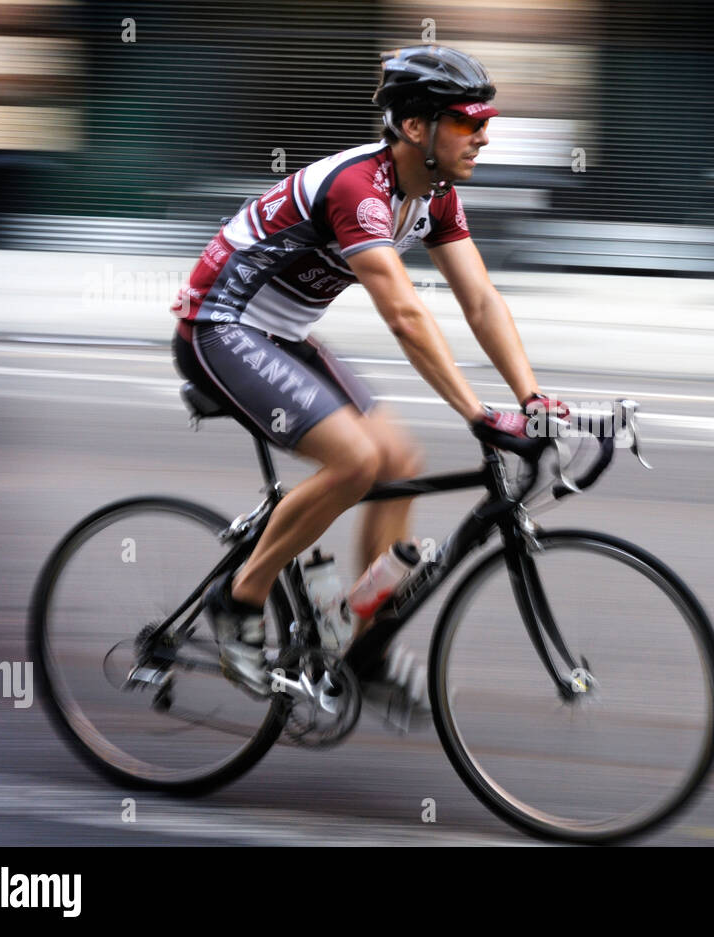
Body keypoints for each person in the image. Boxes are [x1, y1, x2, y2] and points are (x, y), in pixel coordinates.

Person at [169, 45, 569, 708]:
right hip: (218, 325)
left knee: (398, 460)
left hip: (281, 333)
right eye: (468, 122)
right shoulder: (360, 189)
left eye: (484, 121)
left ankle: (365, 644)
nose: (484, 135)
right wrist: (478, 414)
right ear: (416, 128)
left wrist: (530, 398)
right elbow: (406, 316)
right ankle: (238, 596)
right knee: (355, 461)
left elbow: (479, 300)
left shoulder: (434, 195)